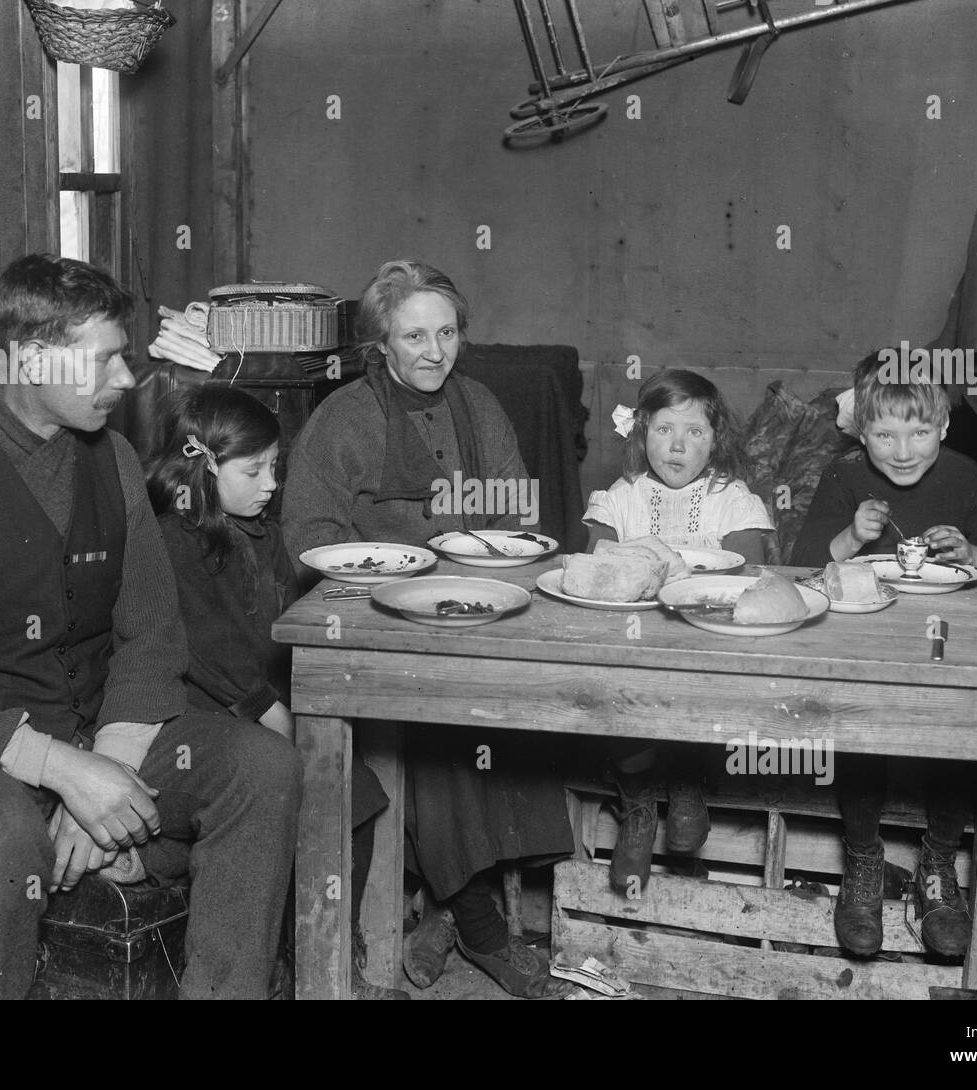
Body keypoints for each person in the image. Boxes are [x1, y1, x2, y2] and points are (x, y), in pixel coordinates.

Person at [0, 255, 301, 999]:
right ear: (28, 360)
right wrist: (63, 771)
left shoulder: (117, 460)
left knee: (264, 767)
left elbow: (153, 634)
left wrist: (112, 764)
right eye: (104, 361)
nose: (127, 380)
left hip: (104, 737)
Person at [281, 259, 575, 998]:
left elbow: (515, 518)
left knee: (515, 720)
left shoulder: (479, 405)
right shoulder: (343, 418)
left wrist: (494, 565)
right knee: (440, 730)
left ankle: (443, 904)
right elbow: (309, 536)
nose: (433, 351)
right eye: (414, 335)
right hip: (374, 627)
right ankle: (479, 926)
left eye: (447, 332)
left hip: (475, 611)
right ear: (382, 342)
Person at [145, 385, 406, 1000]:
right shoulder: (171, 538)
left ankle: (329, 958)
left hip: (262, 700)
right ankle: (303, 970)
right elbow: (213, 654)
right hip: (206, 716)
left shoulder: (257, 529)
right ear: (203, 466)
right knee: (315, 785)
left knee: (358, 796)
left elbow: (282, 618)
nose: (270, 483)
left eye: (275, 466)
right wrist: (288, 725)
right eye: (254, 469)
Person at [790, 352, 977, 958]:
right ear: (860, 430)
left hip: (949, 642)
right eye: (885, 434)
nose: (903, 451)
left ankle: (938, 864)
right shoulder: (844, 476)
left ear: (943, 428)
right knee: (858, 718)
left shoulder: (967, 478)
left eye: (919, 432)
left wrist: (975, 552)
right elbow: (796, 564)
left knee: (959, 719)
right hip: (865, 646)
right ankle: (865, 860)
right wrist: (852, 536)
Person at [584, 369, 772, 894]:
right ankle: (639, 804)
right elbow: (596, 562)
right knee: (621, 687)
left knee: (702, 682)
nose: (678, 446)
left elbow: (751, 575)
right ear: (642, 434)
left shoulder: (730, 499)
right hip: (632, 639)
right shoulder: (621, 498)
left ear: (716, 442)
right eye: (665, 430)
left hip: (705, 639)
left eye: (695, 433)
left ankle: (690, 777)